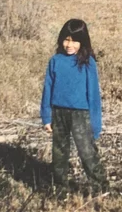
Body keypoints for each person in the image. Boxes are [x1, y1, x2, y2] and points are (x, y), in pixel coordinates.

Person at [40, 19, 106, 190]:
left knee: (87, 152)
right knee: (59, 153)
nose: (69, 45)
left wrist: (95, 125)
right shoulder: (55, 60)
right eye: (66, 40)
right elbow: (48, 88)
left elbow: (93, 96)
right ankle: (60, 188)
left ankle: (101, 188)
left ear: (83, 42)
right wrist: (47, 117)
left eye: (75, 41)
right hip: (58, 113)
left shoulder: (88, 63)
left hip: (80, 115)